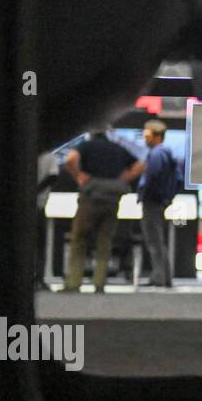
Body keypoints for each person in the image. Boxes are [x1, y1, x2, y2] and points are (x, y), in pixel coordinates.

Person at [63, 125, 144, 293]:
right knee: (104, 242)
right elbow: (140, 165)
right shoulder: (117, 148)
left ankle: (73, 282)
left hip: (91, 197)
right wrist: (125, 178)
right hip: (113, 199)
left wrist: (78, 175)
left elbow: (70, 159)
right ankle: (99, 283)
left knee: (79, 239)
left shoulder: (86, 146)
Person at [138, 119, 179, 288]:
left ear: (157, 137)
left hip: (152, 202)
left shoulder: (156, 154)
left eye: (147, 135)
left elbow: (152, 176)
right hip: (160, 201)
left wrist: (144, 193)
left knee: (154, 241)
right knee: (158, 241)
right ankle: (164, 277)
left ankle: (159, 277)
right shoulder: (167, 153)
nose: (145, 139)